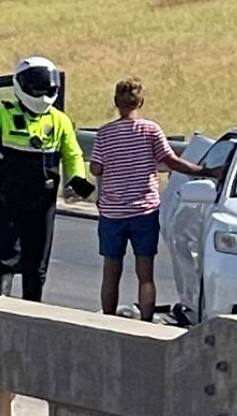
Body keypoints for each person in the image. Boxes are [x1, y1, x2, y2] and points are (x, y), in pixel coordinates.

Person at [0, 57, 96, 299]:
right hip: (6, 199)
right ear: (21, 86)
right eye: (37, 88)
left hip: (42, 202)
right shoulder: (2, 116)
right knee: (5, 256)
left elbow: (73, 155)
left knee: (36, 262)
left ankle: (32, 307)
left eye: (47, 88)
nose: (42, 95)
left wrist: (80, 184)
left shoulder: (60, 121)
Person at [88, 78, 216, 322]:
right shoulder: (151, 130)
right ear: (141, 101)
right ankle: (146, 321)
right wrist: (207, 171)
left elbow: (96, 168)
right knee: (145, 274)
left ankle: (107, 319)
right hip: (144, 211)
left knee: (111, 271)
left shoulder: (105, 134)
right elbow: (171, 161)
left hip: (112, 213)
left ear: (116, 102)